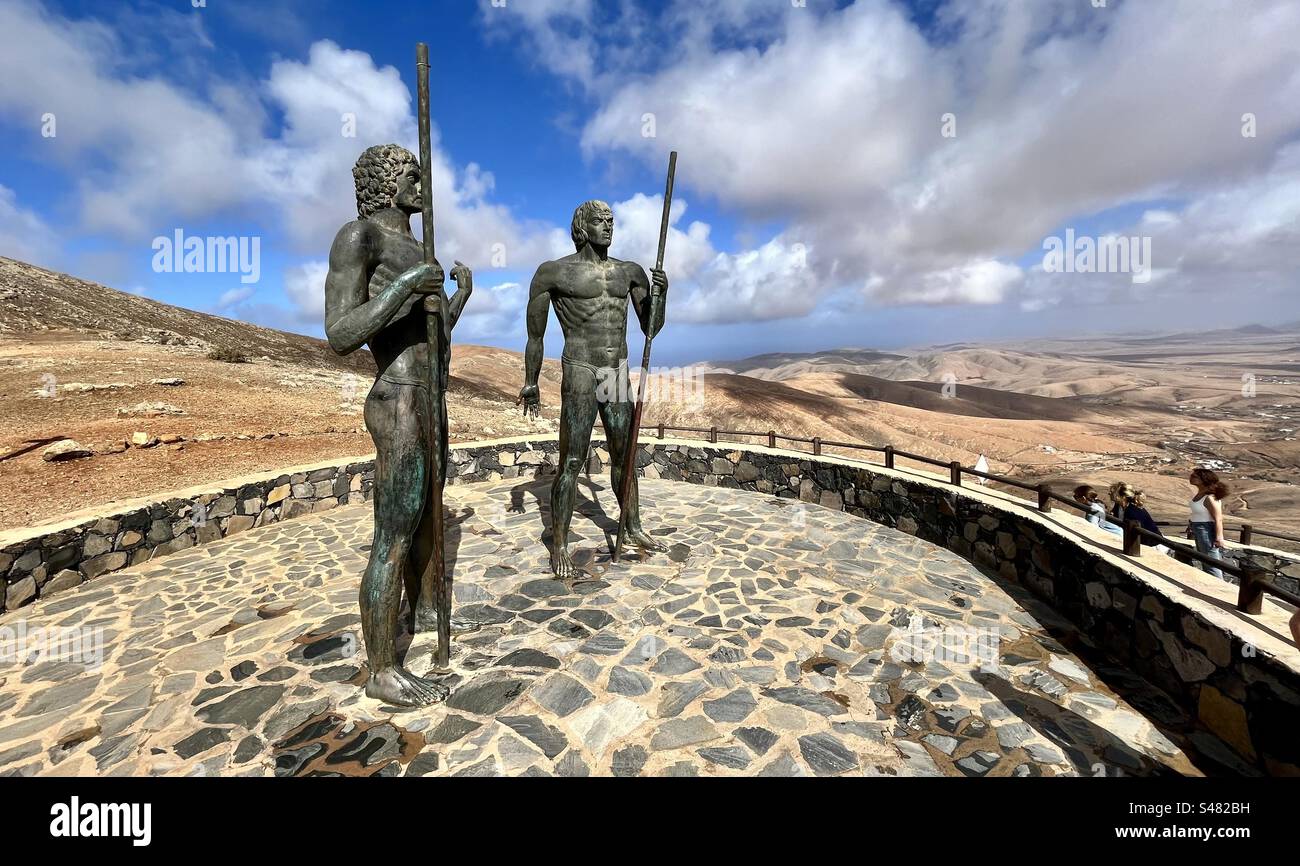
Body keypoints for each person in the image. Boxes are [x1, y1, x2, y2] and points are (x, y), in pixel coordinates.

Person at [324, 144, 474, 707]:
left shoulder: (416, 247)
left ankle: (430, 610)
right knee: (395, 532)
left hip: (430, 396)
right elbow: (340, 332)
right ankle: (382, 667)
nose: (422, 182)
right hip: (398, 399)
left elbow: (432, 338)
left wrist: (454, 299)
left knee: (431, 520)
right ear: (388, 183)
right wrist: (404, 286)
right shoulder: (360, 237)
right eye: (413, 174)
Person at [519, 200, 670, 578]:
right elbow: (534, 336)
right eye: (599, 221)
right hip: (581, 369)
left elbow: (650, 327)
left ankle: (632, 526)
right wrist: (531, 381)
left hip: (616, 368)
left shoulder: (629, 273)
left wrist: (661, 295)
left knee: (626, 454)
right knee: (572, 460)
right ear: (581, 227)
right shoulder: (552, 273)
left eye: (611, 220)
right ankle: (559, 541)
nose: (608, 226)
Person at [1188, 467, 1229, 579]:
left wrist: (1219, 538)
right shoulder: (1200, 494)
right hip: (1198, 529)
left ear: (1204, 479)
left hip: (1206, 530)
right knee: (1204, 559)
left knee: (1211, 562)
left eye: (1194, 476)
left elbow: (1218, 518)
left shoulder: (1210, 498)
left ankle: (1220, 588)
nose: (1191, 477)